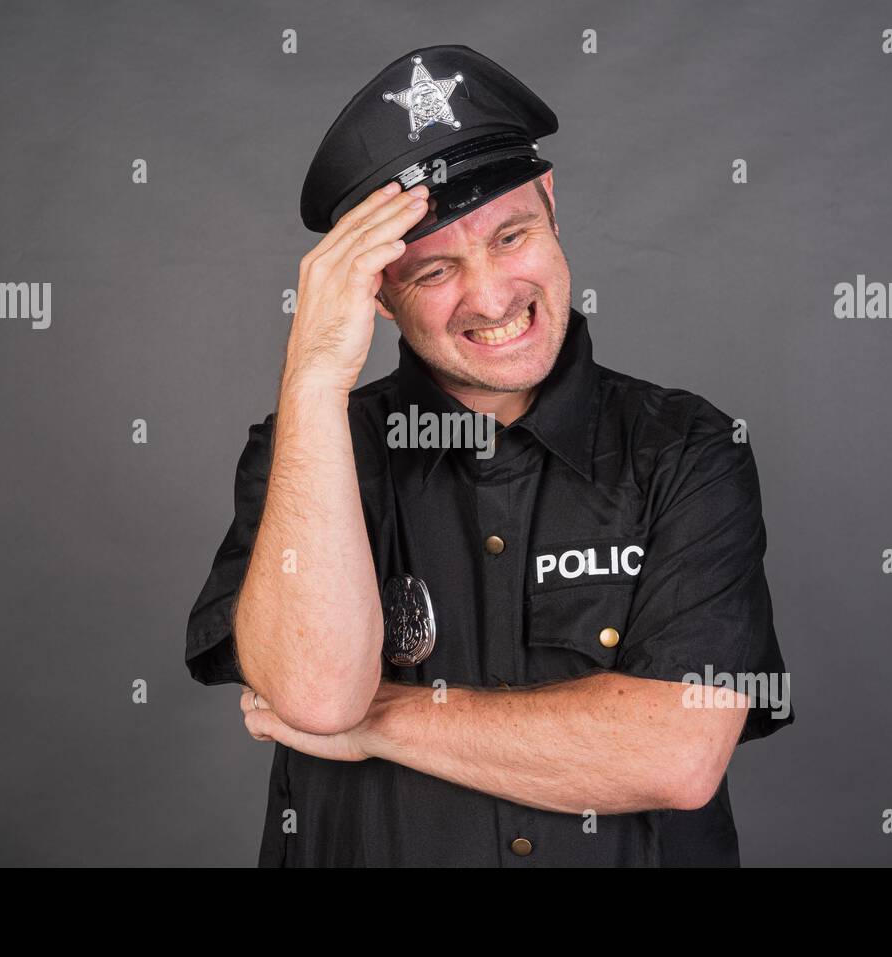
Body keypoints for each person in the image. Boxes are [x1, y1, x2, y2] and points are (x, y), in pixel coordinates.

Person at [186, 44, 794, 866]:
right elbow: (314, 693)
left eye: (512, 235)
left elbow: (676, 753)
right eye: (435, 268)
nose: (494, 294)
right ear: (380, 295)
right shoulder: (300, 456)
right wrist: (314, 376)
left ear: (551, 202)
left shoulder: (688, 450)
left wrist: (380, 720)